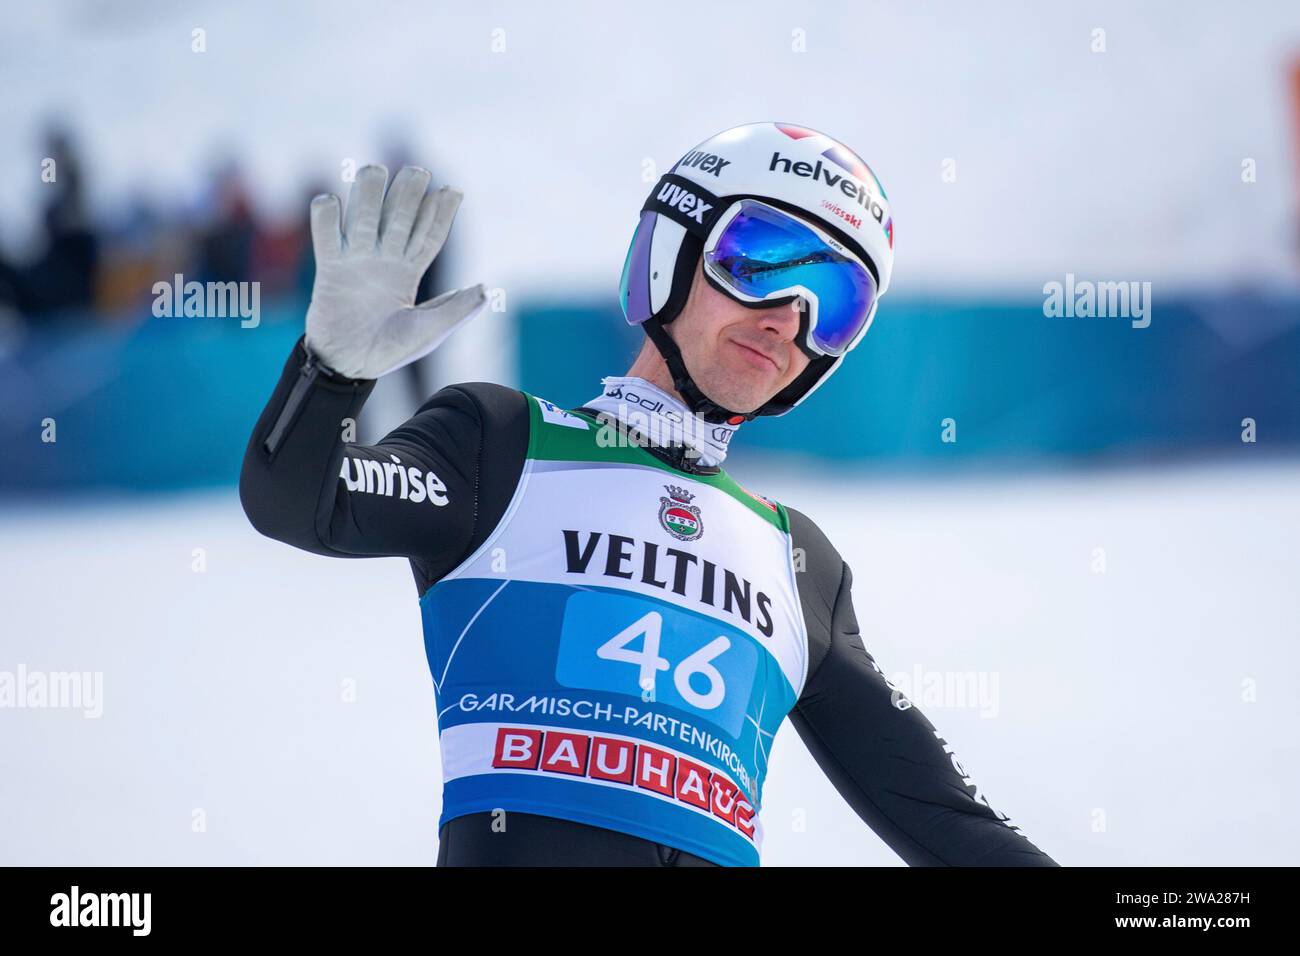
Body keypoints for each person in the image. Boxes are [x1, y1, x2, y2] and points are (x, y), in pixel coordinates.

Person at [239, 122, 1058, 868]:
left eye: (835, 304)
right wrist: (330, 375)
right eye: (759, 259)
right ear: (671, 250)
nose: (787, 319)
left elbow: (951, 826)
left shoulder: (799, 563)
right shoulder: (499, 444)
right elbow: (298, 501)